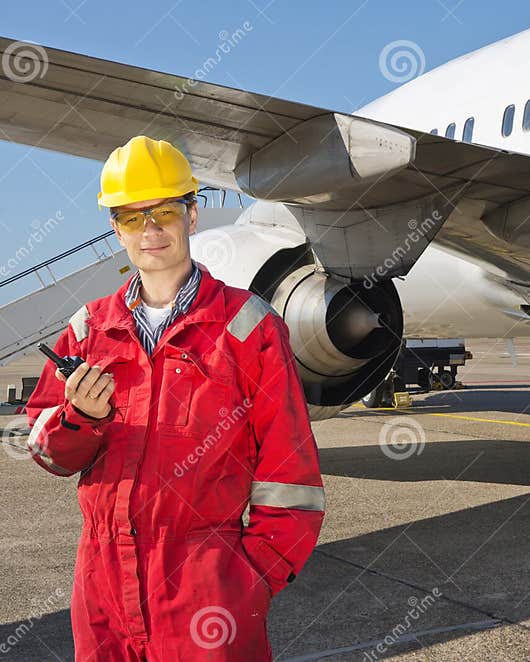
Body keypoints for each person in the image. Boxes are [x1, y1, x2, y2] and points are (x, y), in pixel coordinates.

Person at [24, 135, 325, 661]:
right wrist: (79, 418)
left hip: (206, 592)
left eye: (164, 211)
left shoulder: (247, 328)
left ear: (192, 214)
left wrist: (249, 581)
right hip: (101, 591)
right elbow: (45, 452)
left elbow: (291, 477)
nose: (151, 230)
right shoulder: (89, 329)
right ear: (116, 229)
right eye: (133, 217)